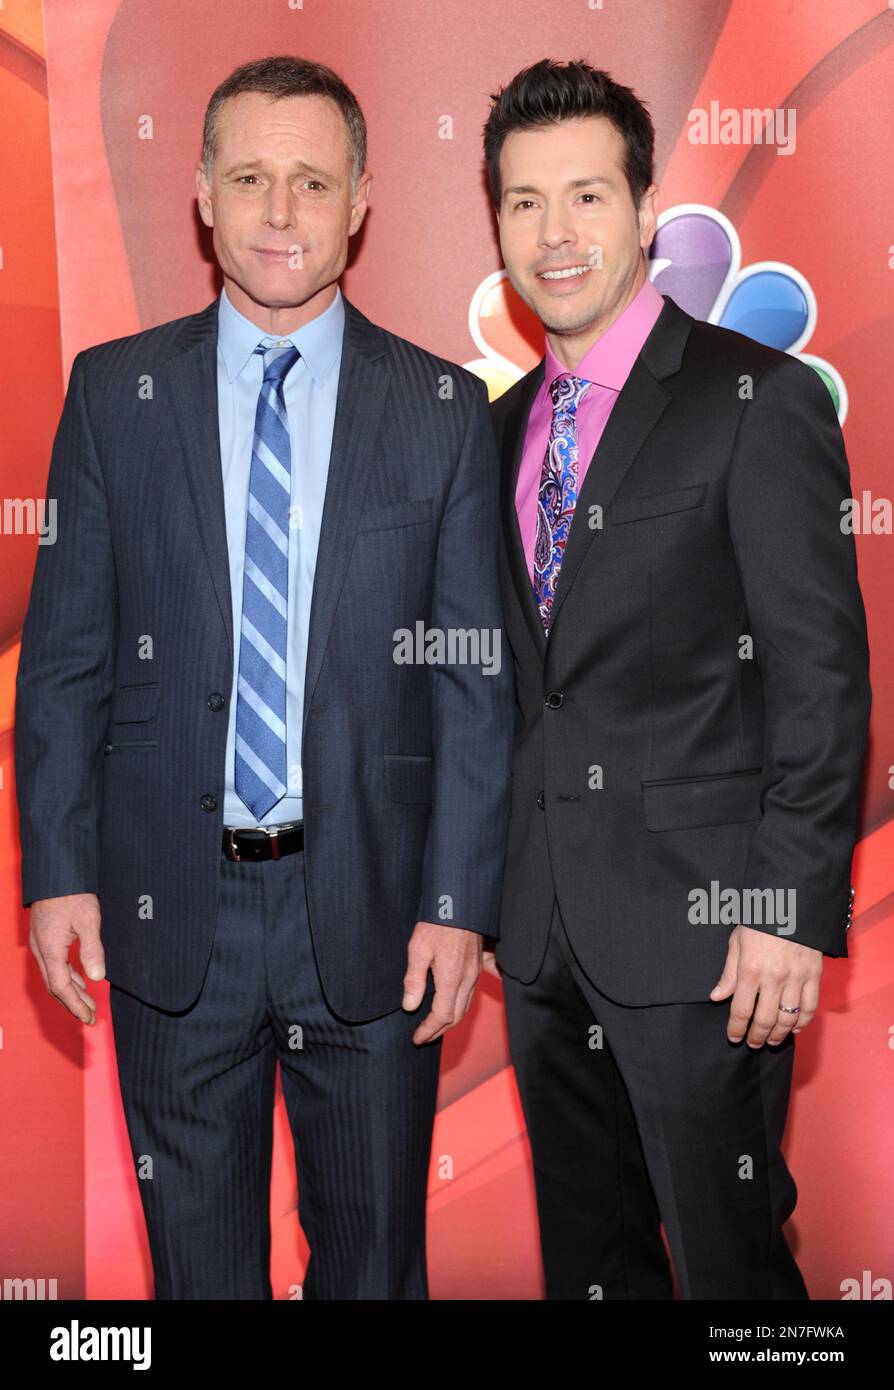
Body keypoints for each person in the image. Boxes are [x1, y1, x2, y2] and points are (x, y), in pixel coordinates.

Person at [15, 54, 512, 1300]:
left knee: (375, 1267)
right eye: (249, 178)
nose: (279, 213)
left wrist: (458, 901)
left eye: (310, 181)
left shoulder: (443, 406)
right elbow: (66, 659)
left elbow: (472, 684)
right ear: (200, 195)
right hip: (168, 915)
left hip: (376, 918)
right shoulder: (115, 397)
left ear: (360, 201)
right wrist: (59, 872)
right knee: (197, 1275)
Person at [483, 58, 870, 1299]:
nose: (556, 234)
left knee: (733, 1276)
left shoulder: (756, 399)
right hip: (543, 944)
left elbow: (819, 673)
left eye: (587, 196)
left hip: (713, 942)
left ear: (647, 210)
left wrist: (790, 907)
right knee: (593, 1273)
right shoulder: (498, 432)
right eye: (525, 201)